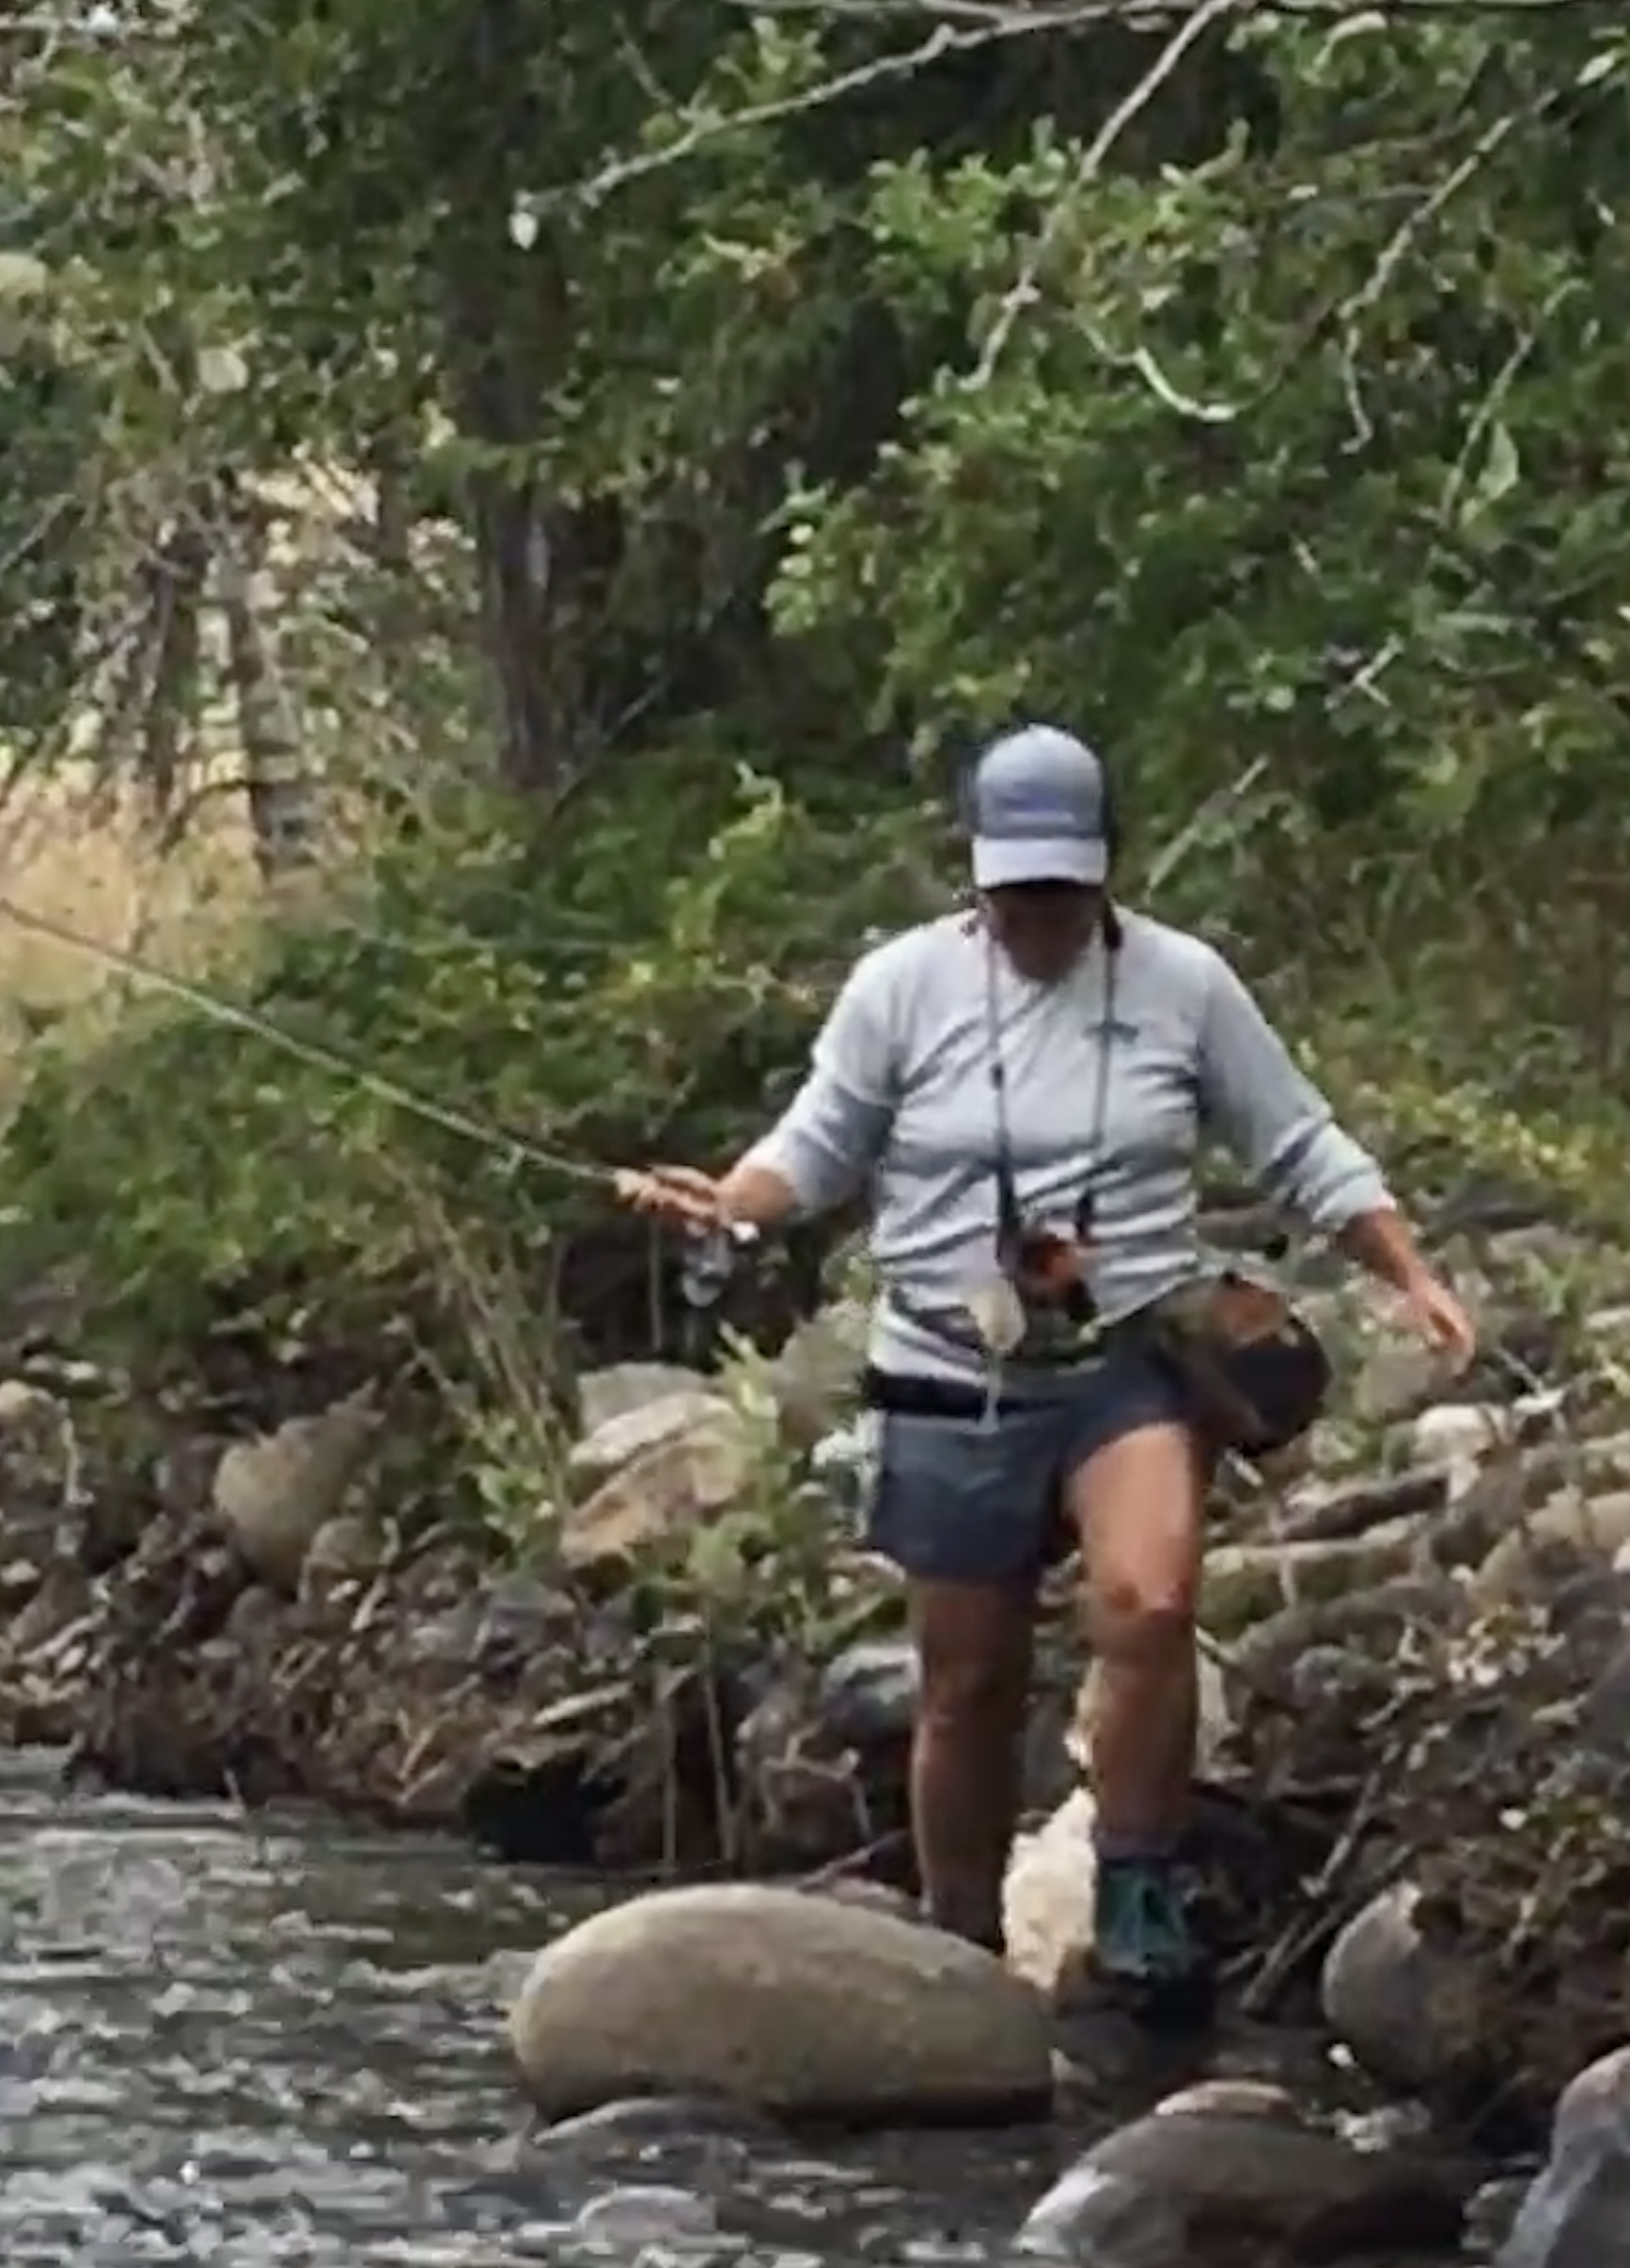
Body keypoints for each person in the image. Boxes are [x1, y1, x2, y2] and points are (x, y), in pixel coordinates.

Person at [619, 725, 1475, 2006]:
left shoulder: (1184, 986)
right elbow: (819, 1143)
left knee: (1150, 1606)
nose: (1039, 915)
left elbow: (1297, 1139)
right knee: (968, 1683)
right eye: (1016, 890)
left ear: (1103, 873)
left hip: (1131, 1356)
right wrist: (731, 1203)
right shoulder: (901, 988)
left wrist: (1408, 1271)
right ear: (976, 877)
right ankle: (955, 1946)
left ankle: (1135, 1886)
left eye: (1062, 889)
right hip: (948, 1364)